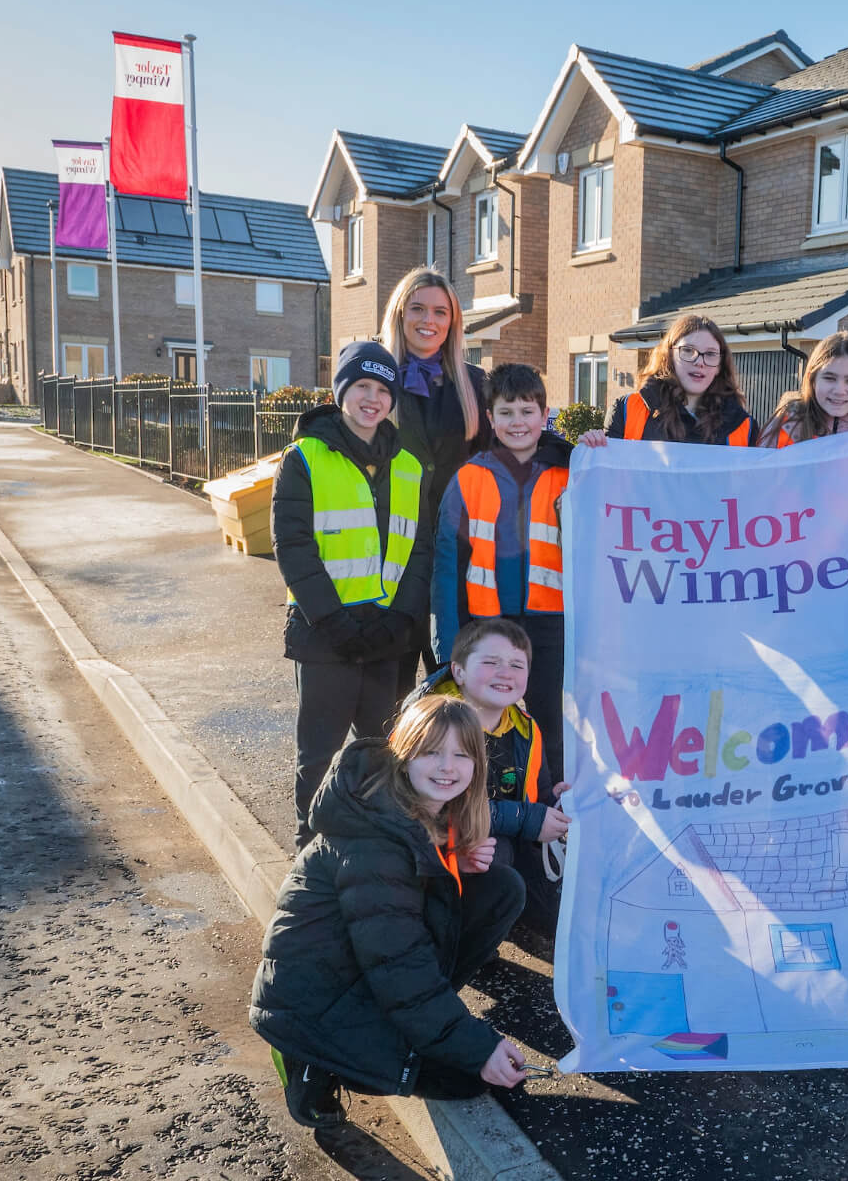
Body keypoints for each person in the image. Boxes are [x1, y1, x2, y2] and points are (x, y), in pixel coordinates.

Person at [250, 696, 529, 1127]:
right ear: (403, 754)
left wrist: (454, 863)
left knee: (499, 888)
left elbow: (404, 937)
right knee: (466, 1078)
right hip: (312, 1002)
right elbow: (400, 965)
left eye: (461, 754)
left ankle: (419, 1025)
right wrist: (477, 1045)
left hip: (362, 968)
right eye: (431, 751)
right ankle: (308, 1058)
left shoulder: (425, 813)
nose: (447, 767)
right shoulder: (375, 841)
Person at [273, 341, 431, 849]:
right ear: (341, 390)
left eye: (383, 388)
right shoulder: (305, 457)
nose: (373, 397)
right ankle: (310, 852)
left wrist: (399, 621)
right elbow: (293, 547)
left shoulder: (409, 465)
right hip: (326, 636)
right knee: (318, 756)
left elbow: (420, 550)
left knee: (387, 752)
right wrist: (336, 624)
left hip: (388, 637)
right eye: (362, 385)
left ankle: (374, 850)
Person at [430, 362, 570, 783]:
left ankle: (551, 814)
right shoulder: (469, 478)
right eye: (506, 412)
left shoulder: (572, 473)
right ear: (490, 418)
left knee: (551, 728)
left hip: (552, 625)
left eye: (527, 411)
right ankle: (486, 810)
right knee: (483, 729)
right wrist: (449, 646)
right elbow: (447, 566)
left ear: (545, 415)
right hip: (487, 625)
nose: (517, 422)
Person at [408, 619, 570, 934]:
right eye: (490, 662)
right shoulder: (435, 724)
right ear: (458, 672)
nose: (505, 672)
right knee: (493, 851)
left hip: (507, 839)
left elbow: (537, 793)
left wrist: (557, 802)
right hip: (439, 847)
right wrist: (530, 819)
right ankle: (455, 931)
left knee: (553, 916)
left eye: (516, 664)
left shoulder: (526, 728)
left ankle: (501, 914)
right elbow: (438, 808)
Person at [379, 267, 489, 675]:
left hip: (456, 557)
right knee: (389, 694)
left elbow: (513, 449)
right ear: (400, 314)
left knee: (454, 686)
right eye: (418, 309)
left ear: (453, 321)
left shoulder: (475, 385)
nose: (429, 321)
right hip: (390, 555)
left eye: (441, 312)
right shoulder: (373, 381)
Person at [581, 314, 756, 447]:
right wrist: (591, 450)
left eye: (710, 354)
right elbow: (606, 482)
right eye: (688, 350)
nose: (699, 361)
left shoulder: (743, 427)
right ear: (669, 356)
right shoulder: (626, 410)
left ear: (719, 365)